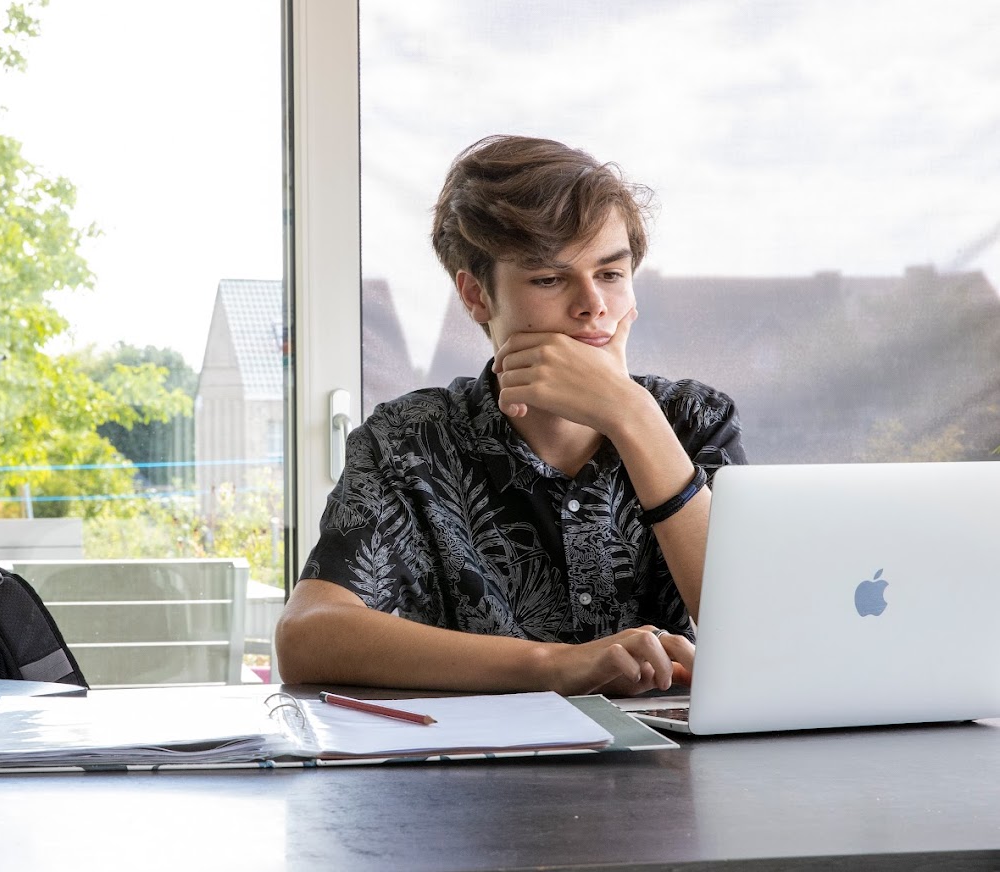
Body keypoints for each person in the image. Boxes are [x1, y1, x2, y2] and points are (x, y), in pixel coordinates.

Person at [274, 134, 746, 697]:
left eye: (611, 275)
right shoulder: (408, 442)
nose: (593, 304)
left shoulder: (695, 419)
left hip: (672, 776)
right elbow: (306, 637)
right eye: (549, 279)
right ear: (476, 296)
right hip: (475, 776)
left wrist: (632, 416)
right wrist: (552, 666)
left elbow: (766, 636)